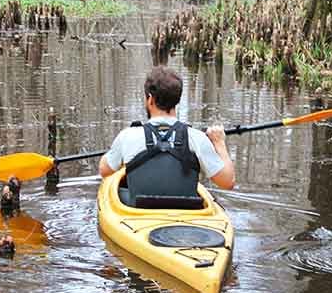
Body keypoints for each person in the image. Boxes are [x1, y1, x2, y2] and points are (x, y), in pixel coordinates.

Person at [99, 66, 235, 208]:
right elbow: (228, 182)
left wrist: (121, 154)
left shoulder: (127, 137)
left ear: (150, 99)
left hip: (138, 215)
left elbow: (104, 170)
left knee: (121, 191)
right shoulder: (197, 138)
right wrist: (219, 142)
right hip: (187, 216)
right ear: (177, 100)